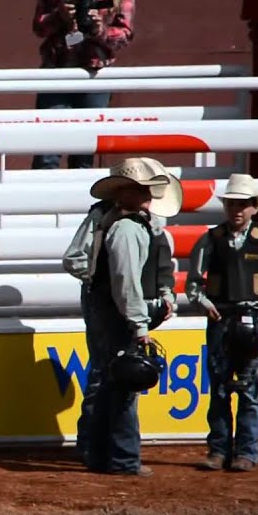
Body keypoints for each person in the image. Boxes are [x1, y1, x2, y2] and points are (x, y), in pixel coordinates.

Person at [83, 158, 182, 477]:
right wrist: (139, 325)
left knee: (109, 383)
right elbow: (126, 282)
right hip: (118, 316)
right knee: (122, 386)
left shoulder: (119, 225)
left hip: (108, 311)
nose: (148, 197)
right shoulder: (129, 229)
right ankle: (123, 458)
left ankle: (99, 454)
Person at [63, 196, 174, 466]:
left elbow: (155, 264)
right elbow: (126, 281)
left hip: (109, 303)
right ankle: (117, 455)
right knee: (118, 378)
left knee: (107, 376)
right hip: (112, 307)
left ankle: (97, 448)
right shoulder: (123, 224)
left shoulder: (127, 220)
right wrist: (139, 321)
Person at [185, 174, 258, 473]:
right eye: (232, 204)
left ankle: (245, 451)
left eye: (243, 205)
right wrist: (204, 304)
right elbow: (193, 284)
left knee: (249, 389)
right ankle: (218, 449)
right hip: (221, 319)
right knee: (218, 387)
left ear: (254, 207)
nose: (237, 210)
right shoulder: (210, 240)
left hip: (252, 320)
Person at [30, 0, 134, 170]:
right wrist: (60, 17)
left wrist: (100, 30)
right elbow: (39, 27)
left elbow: (124, 35)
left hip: (95, 75)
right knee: (47, 152)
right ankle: (44, 204)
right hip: (57, 69)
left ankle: (79, 204)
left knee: (84, 154)